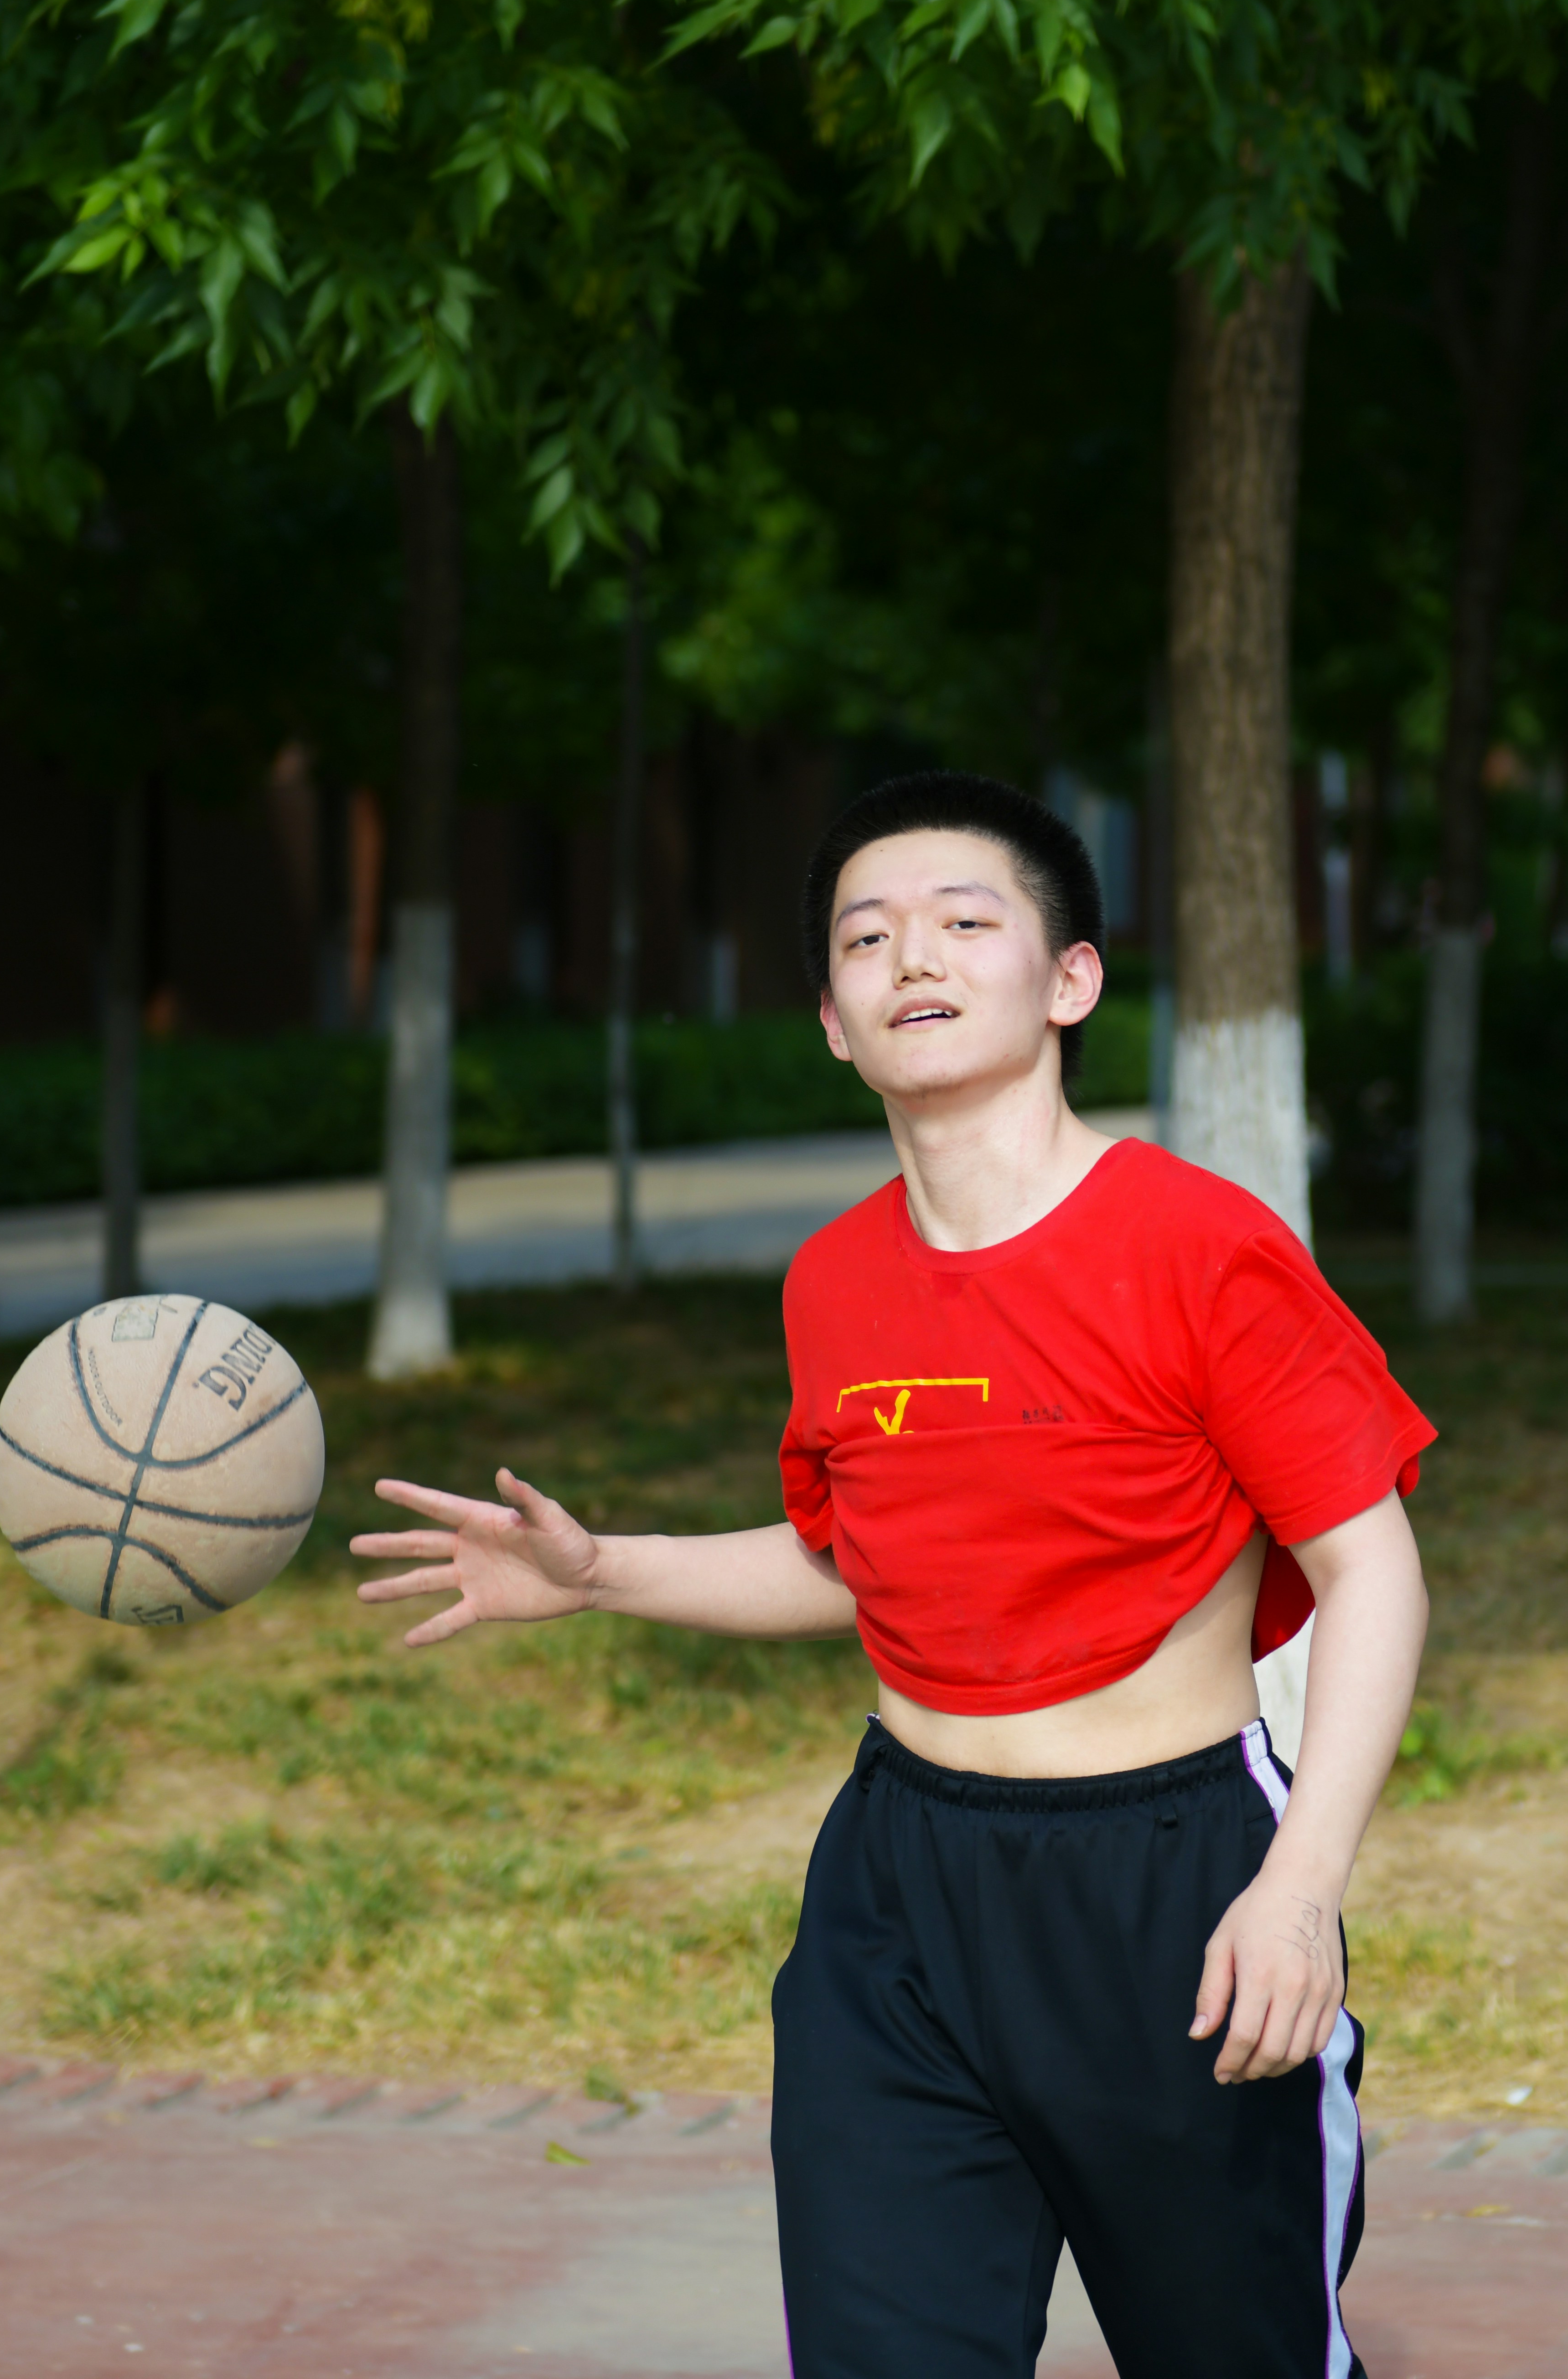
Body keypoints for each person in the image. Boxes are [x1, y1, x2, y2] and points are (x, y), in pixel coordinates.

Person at [351, 770, 1434, 2379]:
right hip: (897, 1897)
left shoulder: (1201, 1246)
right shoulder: (837, 1280)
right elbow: (869, 1564)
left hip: (1171, 1888)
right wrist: (597, 1575)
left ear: (1071, 981)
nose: (910, 954)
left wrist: (1300, 1889)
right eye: (868, 937)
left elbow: (1374, 1575)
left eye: (963, 920)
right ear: (836, 1026)